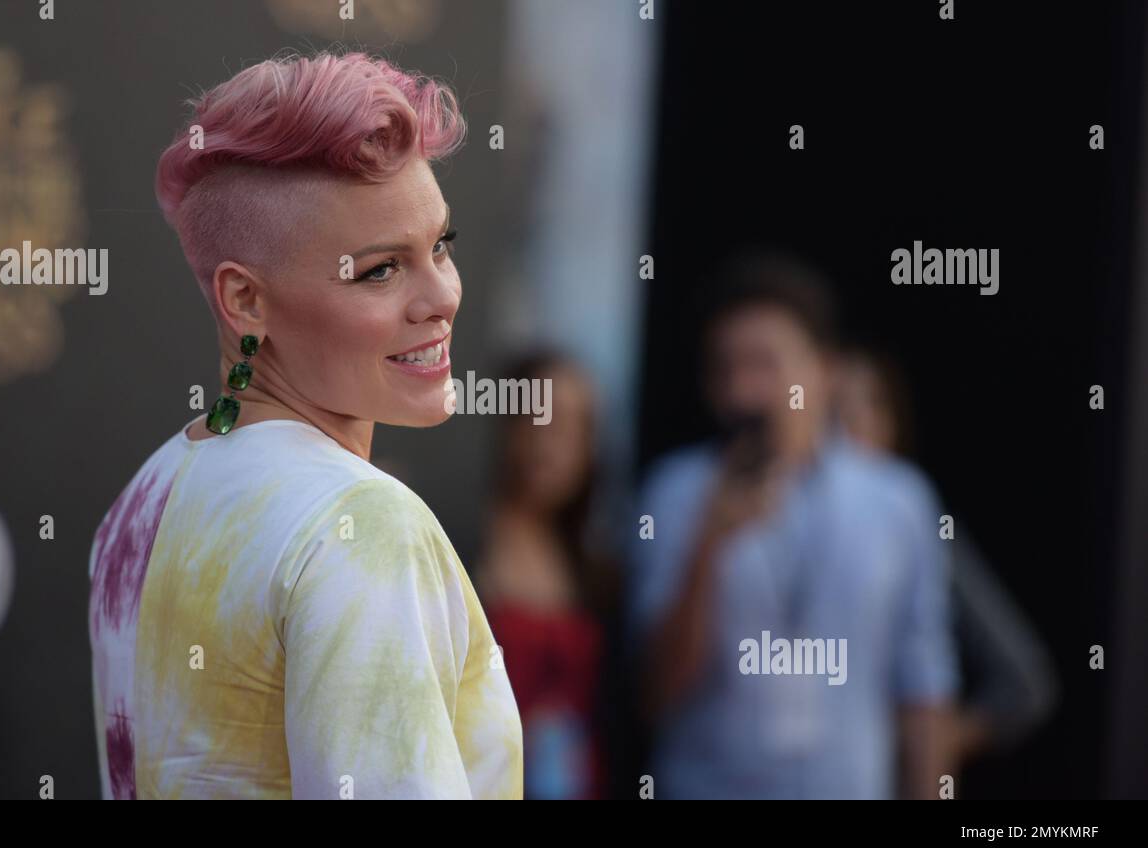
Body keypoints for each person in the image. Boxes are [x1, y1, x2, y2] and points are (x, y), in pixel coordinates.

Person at [87, 51, 523, 799]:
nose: (441, 297)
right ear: (246, 302)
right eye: (381, 269)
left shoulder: (141, 503)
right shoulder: (362, 526)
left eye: (440, 247)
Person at [630, 251, 958, 799]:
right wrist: (707, 546)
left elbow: (923, 686)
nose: (742, 392)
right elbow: (654, 695)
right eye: (725, 368)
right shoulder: (674, 494)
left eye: (764, 364)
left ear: (824, 371)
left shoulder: (897, 502)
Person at [833, 348, 1057, 767]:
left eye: (864, 406)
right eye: (828, 413)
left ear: (892, 424)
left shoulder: (918, 525)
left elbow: (1023, 683)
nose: (843, 431)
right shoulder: (761, 523)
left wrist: (917, 753)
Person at [474, 352, 619, 799]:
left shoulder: (595, 566)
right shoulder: (458, 536)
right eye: (541, 415)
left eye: (575, 426)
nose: (554, 440)